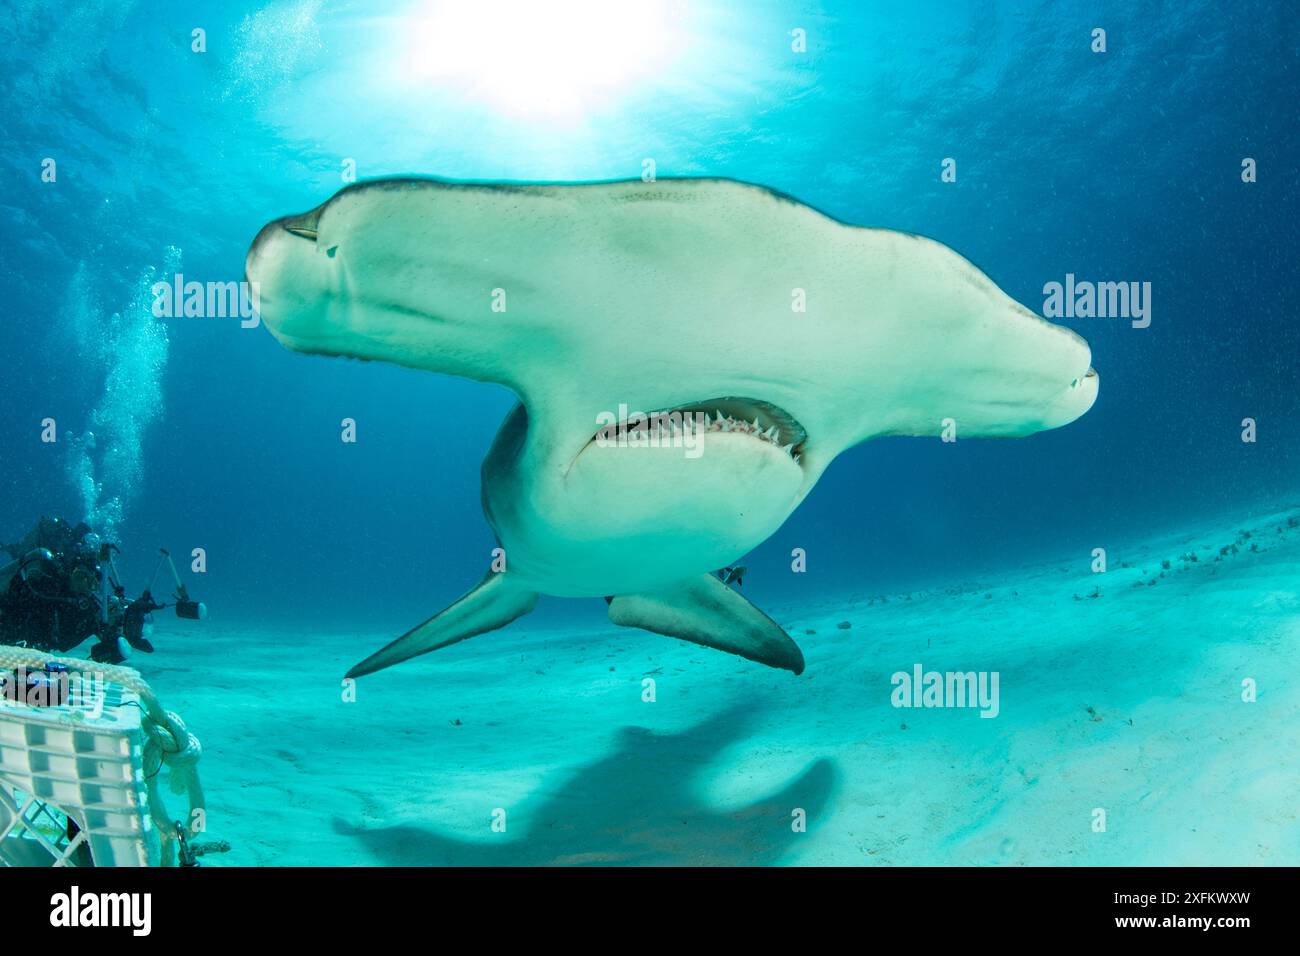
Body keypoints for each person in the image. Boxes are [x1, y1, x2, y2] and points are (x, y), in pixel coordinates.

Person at [0, 516, 159, 664]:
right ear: (70, 572)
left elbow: (103, 644)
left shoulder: (89, 610)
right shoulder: (47, 583)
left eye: (93, 583)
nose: (86, 585)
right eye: (82, 576)